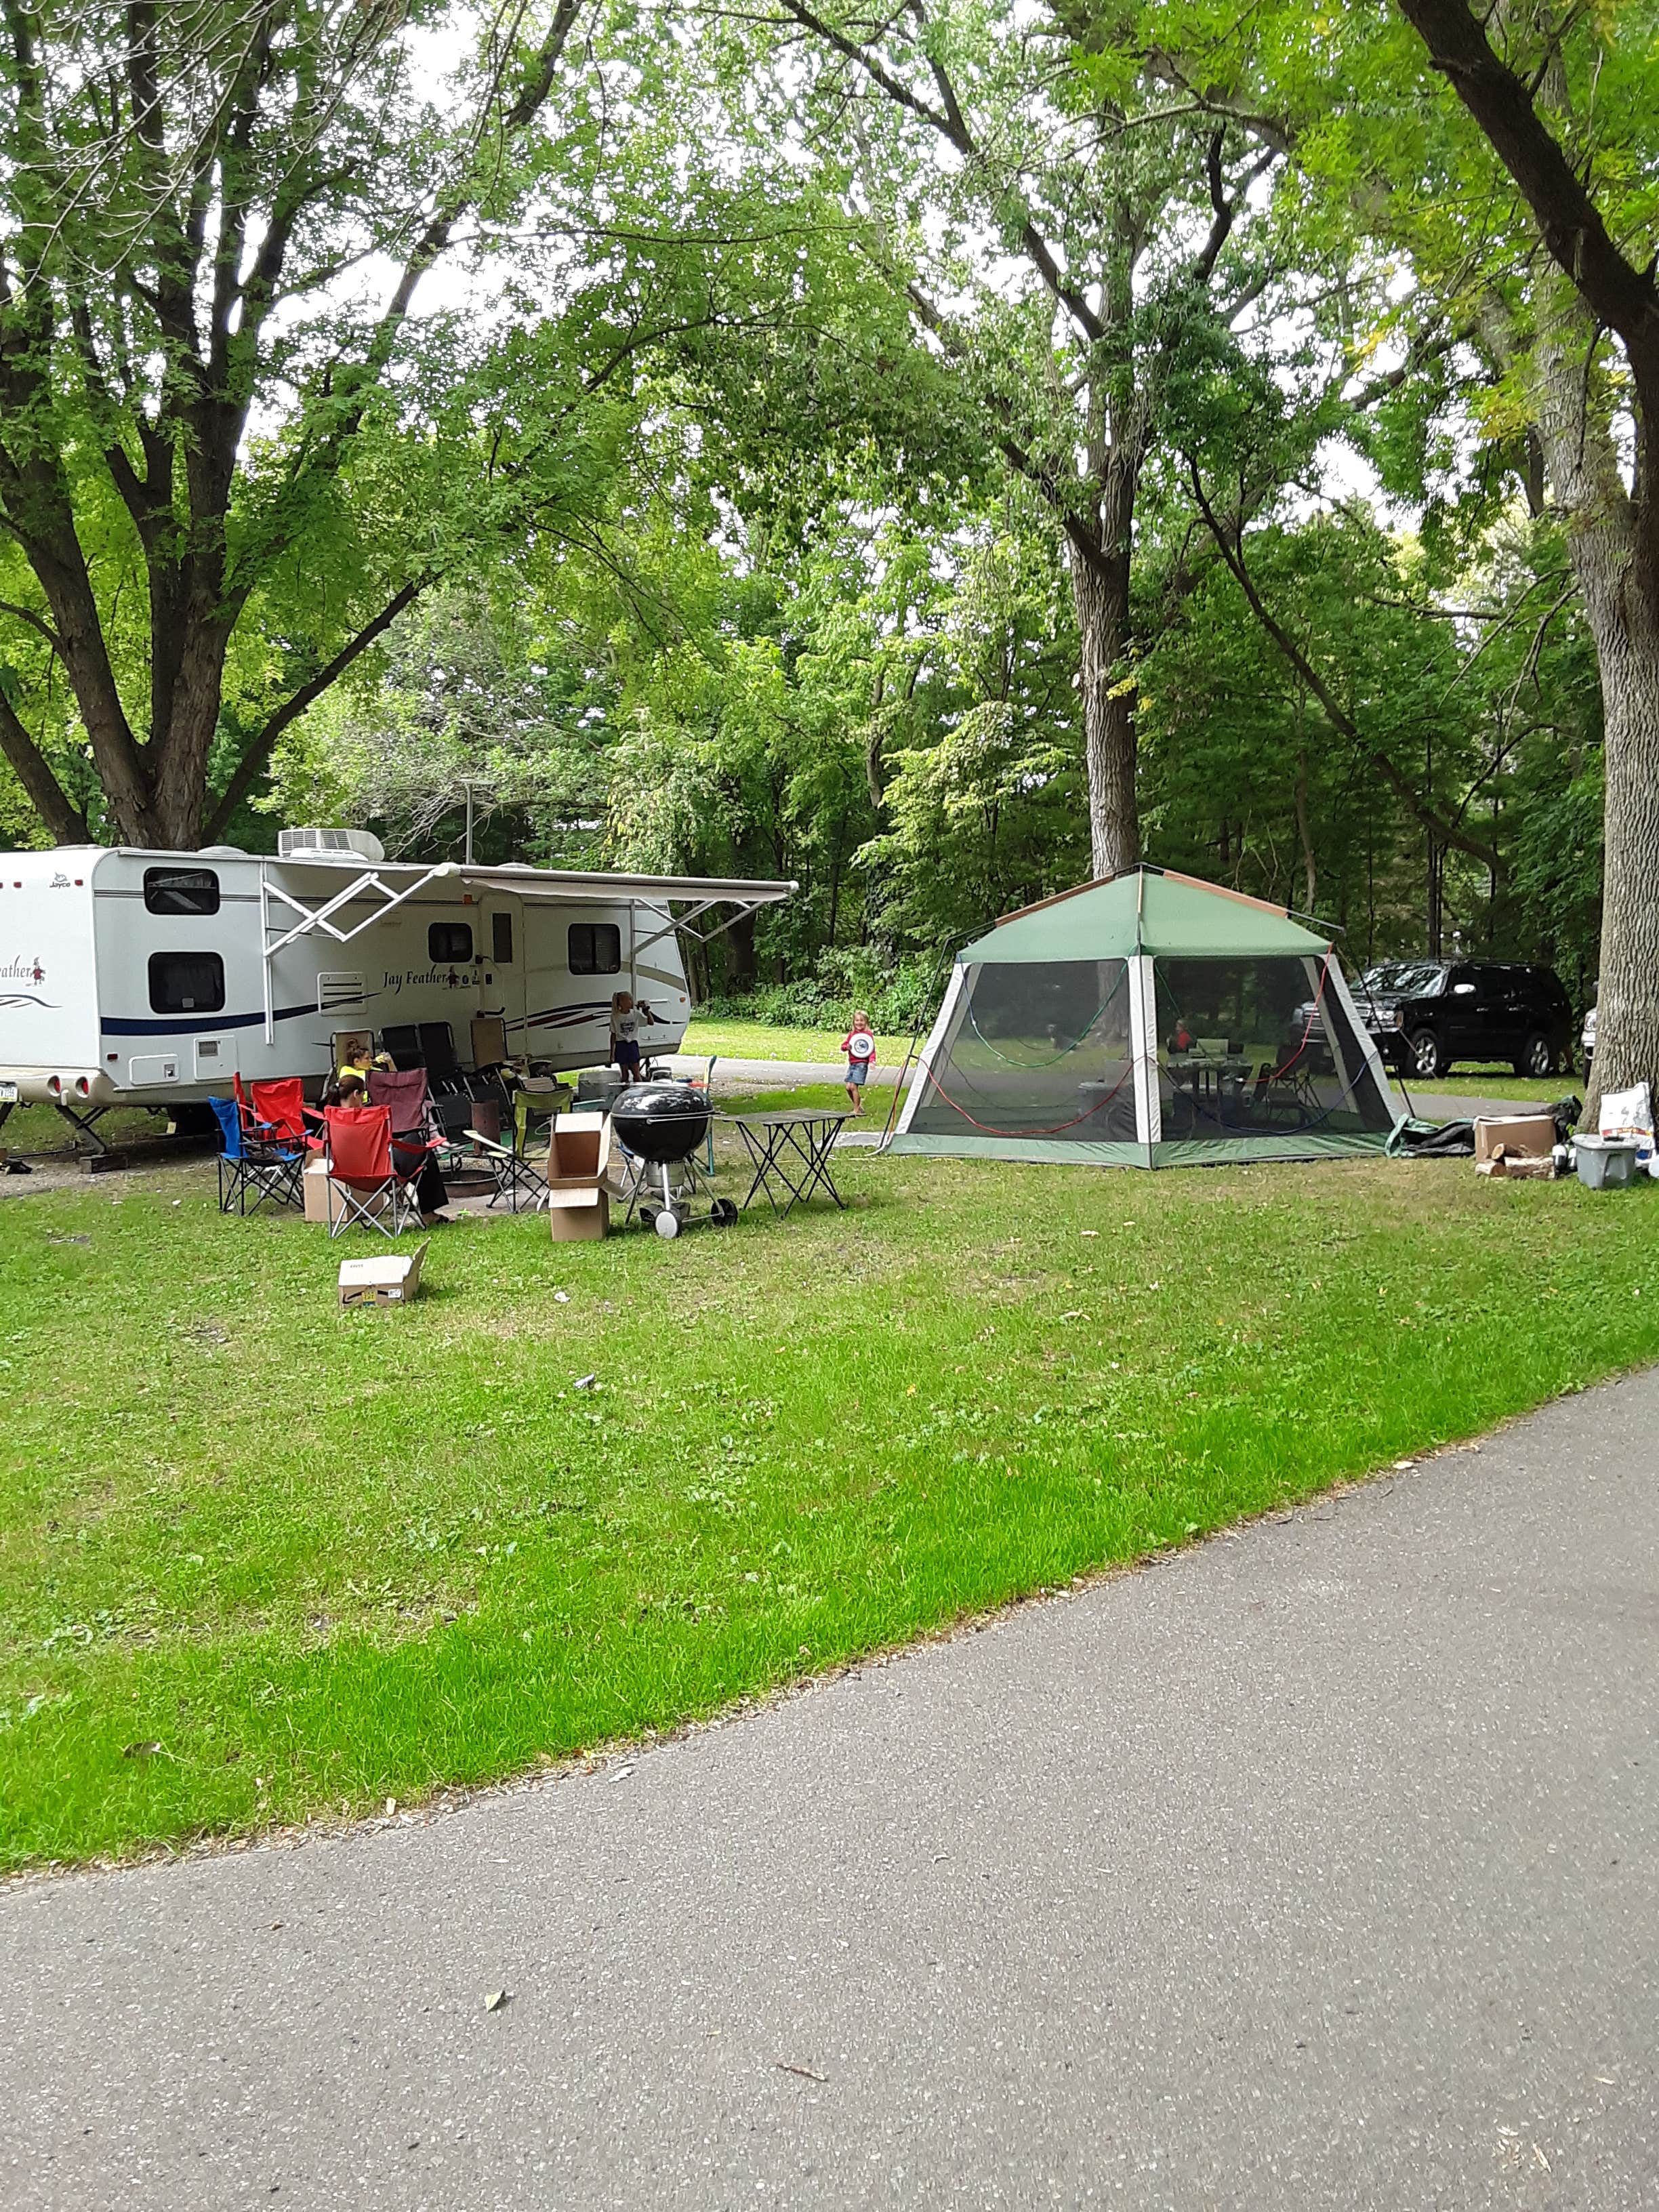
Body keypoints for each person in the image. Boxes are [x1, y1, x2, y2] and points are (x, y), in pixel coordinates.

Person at [610, 990, 658, 1084]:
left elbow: (651, 1022)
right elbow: (613, 1035)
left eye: (631, 1000)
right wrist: (612, 1053)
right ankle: (625, 1091)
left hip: (632, 1044)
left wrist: (646, 1010)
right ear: (622, 1002)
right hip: (621, 1045)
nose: (631, 1003)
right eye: (629, 1000)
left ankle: (638, 1089)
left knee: (636, 1073)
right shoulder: (615, 1016)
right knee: (624, 1074)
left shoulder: (635, 1014)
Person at [842, 1008, 876, 1114]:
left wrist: (872, 1061)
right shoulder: (852, 1035)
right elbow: (844, 1046)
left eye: (862, 1020)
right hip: (852, 1064)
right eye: (857, 1020)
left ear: (866, 1022)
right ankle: (859, 1106)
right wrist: (846, 1047)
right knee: (848, 1087)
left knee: (853, 1086)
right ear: (854, 1022)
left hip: (861, 1064)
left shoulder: (868, 1035)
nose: (859, 1023)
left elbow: (871, 1049)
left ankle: (856, 1110)